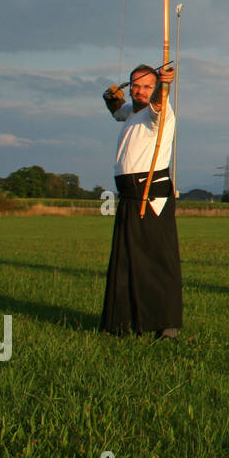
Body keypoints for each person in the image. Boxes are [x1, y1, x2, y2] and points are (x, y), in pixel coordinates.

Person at [101, 63, 182, 338]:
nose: (140, 91)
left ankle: (166, 327)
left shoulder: (158, 112)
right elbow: (115, 110)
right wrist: (110, 95)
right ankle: (122, 323)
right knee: (126, 262)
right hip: (130, 197)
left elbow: (159, 103)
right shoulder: (132, 112)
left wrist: (164, 85)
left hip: (151, 196)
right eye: (135, 85)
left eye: (147, 86)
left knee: (157, 260)